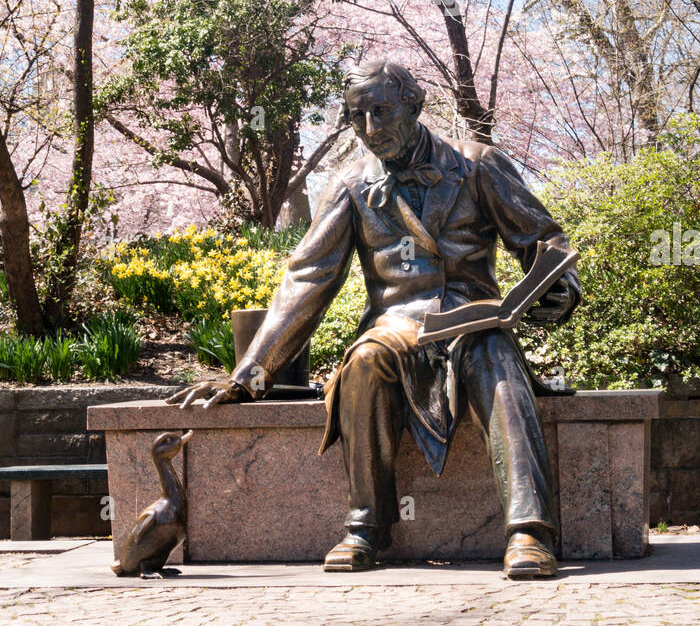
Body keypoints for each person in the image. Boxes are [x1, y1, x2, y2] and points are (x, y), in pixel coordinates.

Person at [168, 58, 581, 578]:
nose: (370, 129)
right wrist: (250, 373)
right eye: (357, 116)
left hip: (474, 321)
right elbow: (308, 279)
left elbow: (544, 242)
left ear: (415, 105)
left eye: (382, 112)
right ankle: (366, 526)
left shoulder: (478, 164)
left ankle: (528, 532)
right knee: (361, 362)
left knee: (495, 359)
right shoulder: (350, 185)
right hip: (395, 325)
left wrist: (557, 291)